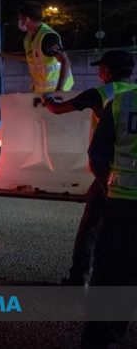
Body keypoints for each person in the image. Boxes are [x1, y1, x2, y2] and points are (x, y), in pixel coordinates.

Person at [44, 50, 137, 286]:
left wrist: (48, 100)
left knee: (91, 227)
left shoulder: (102, 93)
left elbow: (59, 109)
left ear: (105, 71)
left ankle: (80, 278)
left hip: (110, 175)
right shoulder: (132, 95)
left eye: (101, 68)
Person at [81, 86, 137, 347]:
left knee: (112, 272)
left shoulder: (121, 103)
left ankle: (103, 335)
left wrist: (109, 189)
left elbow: (96, 157)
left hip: (123, 205)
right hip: (122, 203)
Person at [0, 1, 74, 93]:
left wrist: (59, 91)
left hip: (57, 93)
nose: (19, 21)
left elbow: (66, 62)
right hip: (42, 93)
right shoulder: (30, 37)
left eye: (20, 18)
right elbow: (29, 57)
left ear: (26, 19)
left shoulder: (48, 37)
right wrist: (0, 54)